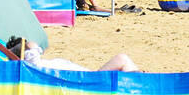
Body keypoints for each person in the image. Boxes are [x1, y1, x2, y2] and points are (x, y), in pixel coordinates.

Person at [8, 37, 138, 73]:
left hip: (88, 79)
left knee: (123, 60)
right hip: (89, 82)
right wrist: (29, 44)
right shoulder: (34, 67)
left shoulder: (40, 66)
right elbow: (33, 56)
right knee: (122, 58)